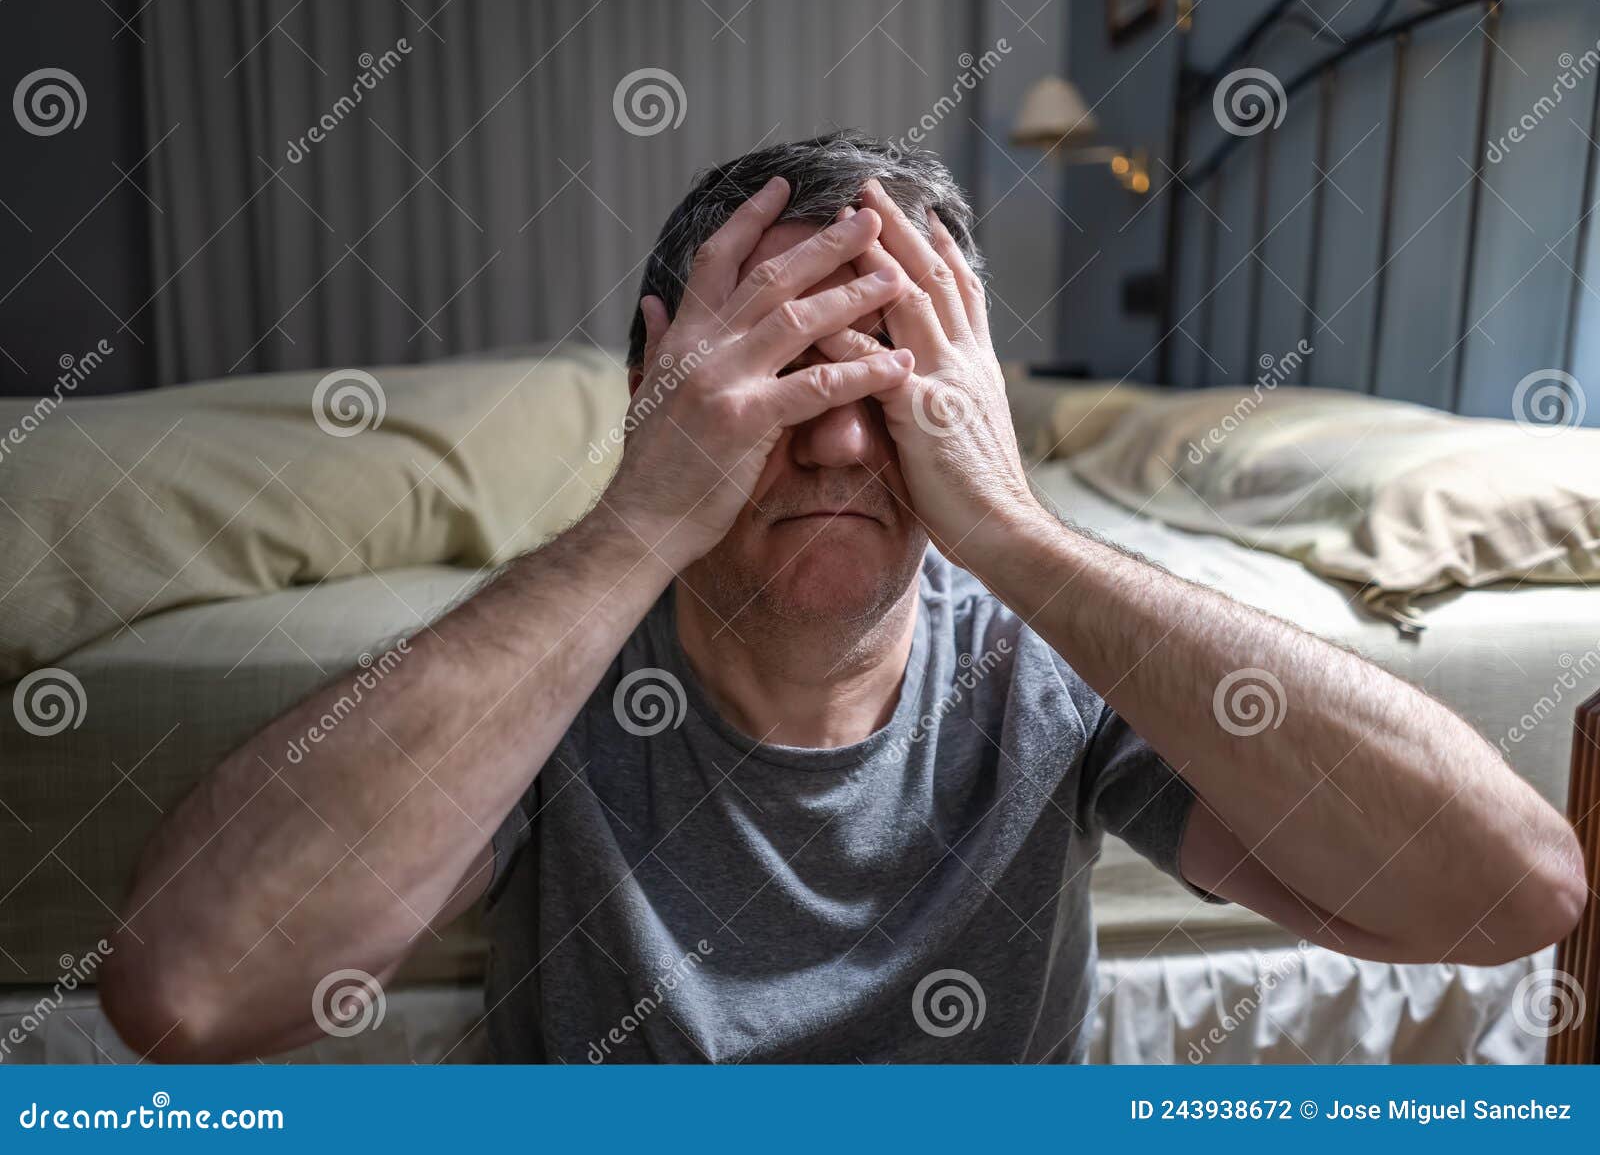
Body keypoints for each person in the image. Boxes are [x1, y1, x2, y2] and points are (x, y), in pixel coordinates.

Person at [100, 131, 1584, 1063]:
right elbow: (184, 991)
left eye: (892, 366)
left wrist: (1015, 530)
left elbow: (1516, 891)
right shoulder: (550, 656)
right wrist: (637, 521)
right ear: (661, 389)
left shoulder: (1050, 654)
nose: (841, 435)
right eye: (785, 362)